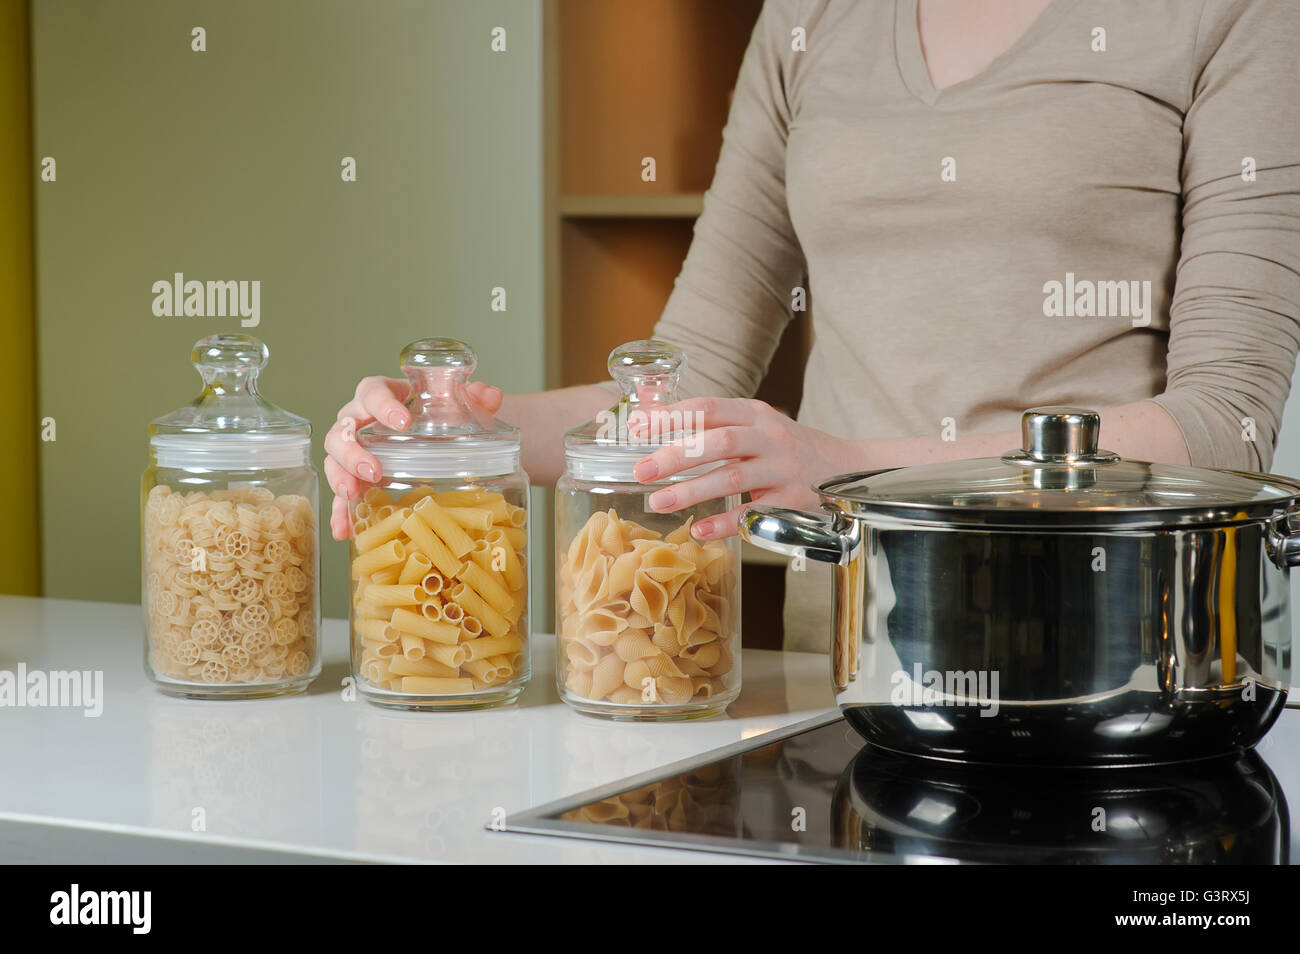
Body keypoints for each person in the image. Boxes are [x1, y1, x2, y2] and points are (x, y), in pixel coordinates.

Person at [326, 0, 1300, 653]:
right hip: (845, 654)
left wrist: (851, 472)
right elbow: (687, 379)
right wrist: (449, 429)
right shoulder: (810, 15)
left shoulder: (1235, 14)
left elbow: (1226, 423)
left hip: (1108, 656)